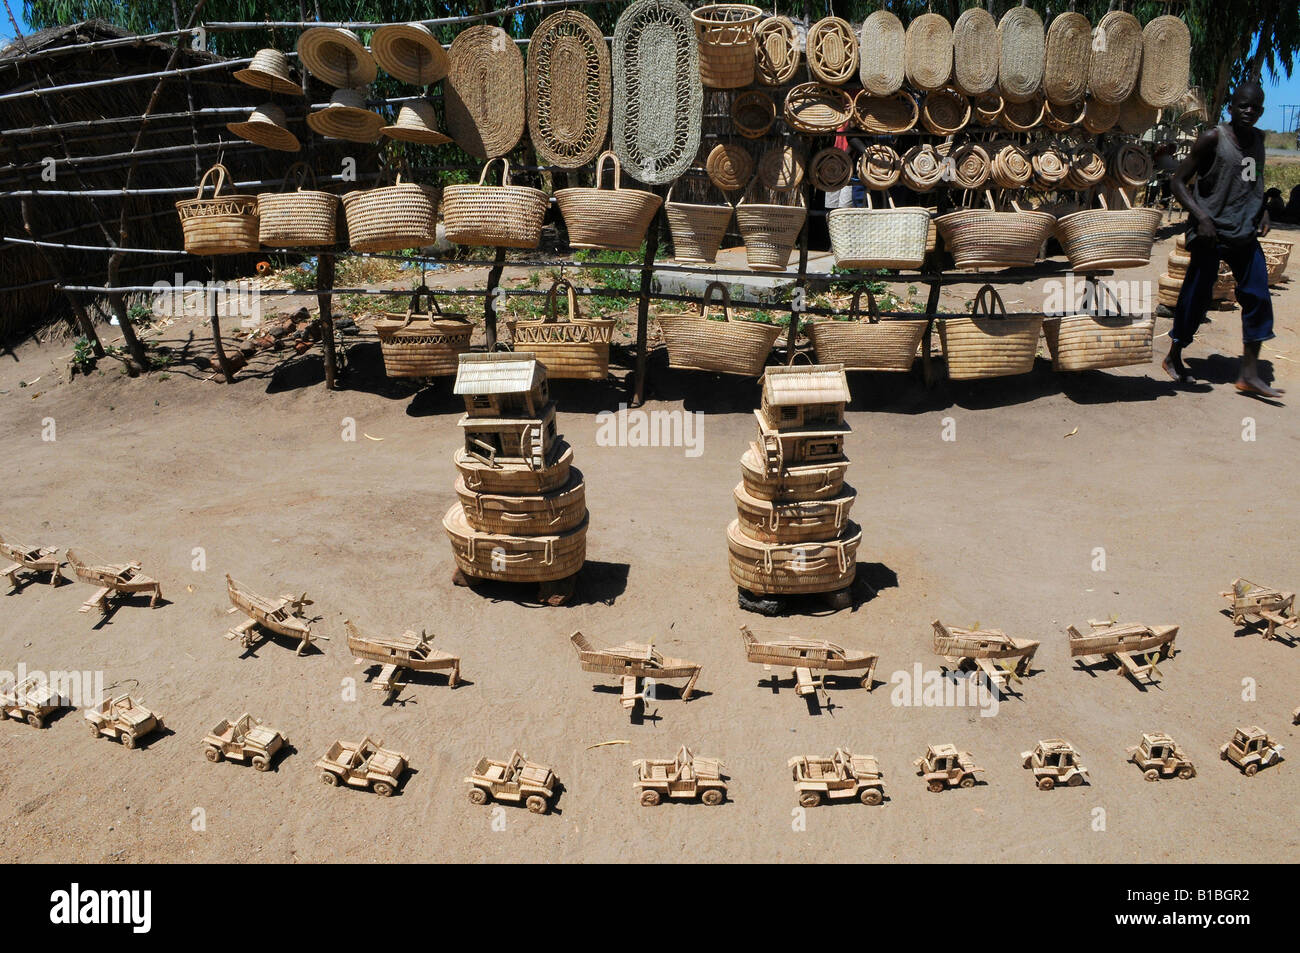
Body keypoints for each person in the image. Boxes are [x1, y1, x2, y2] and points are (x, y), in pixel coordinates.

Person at [1164, 80, 1283, 397]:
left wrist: (1263, 210)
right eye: (1243, 105)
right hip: (1210, 231)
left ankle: (1248, 373)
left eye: (1255, 107)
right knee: (1197, 295)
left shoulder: (1257, 140)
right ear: (1231, 106)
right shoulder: (1213, 138)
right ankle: (1174, 355)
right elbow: (1177, 182)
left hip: (1243, 232)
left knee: (1257, 296)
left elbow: (1251, 178)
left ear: (1261, 111)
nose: (1249, 111)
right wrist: (1200, 217)